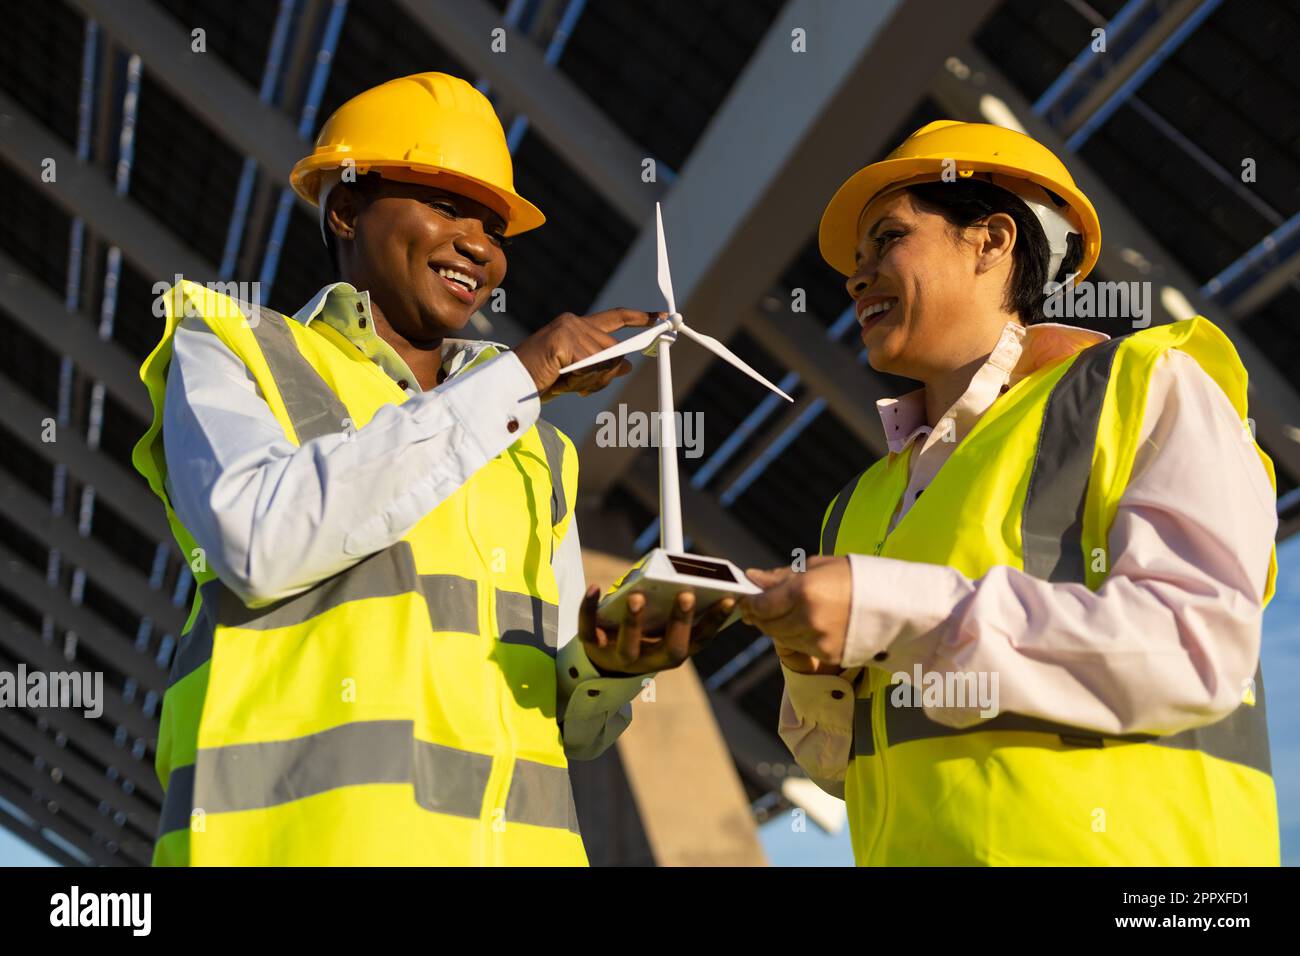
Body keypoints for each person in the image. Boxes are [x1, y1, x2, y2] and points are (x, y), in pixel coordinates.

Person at [131, 72, 729, 866]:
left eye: (494, 227)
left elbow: (563, 718)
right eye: (447, 205)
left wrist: (609, 667)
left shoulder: (536, 448)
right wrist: (520, 376)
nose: (480, 246)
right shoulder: (233, 348)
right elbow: (255, 543)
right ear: (345, 207)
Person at [739, 120, 1280, 865]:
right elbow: (843, 767)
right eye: (856, 260)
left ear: (991, 241)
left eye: (888, 239)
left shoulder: (1147, 387)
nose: (856, 277)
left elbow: (1195, 647)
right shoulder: (857, 505)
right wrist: (810, 668)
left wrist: (893, 607)